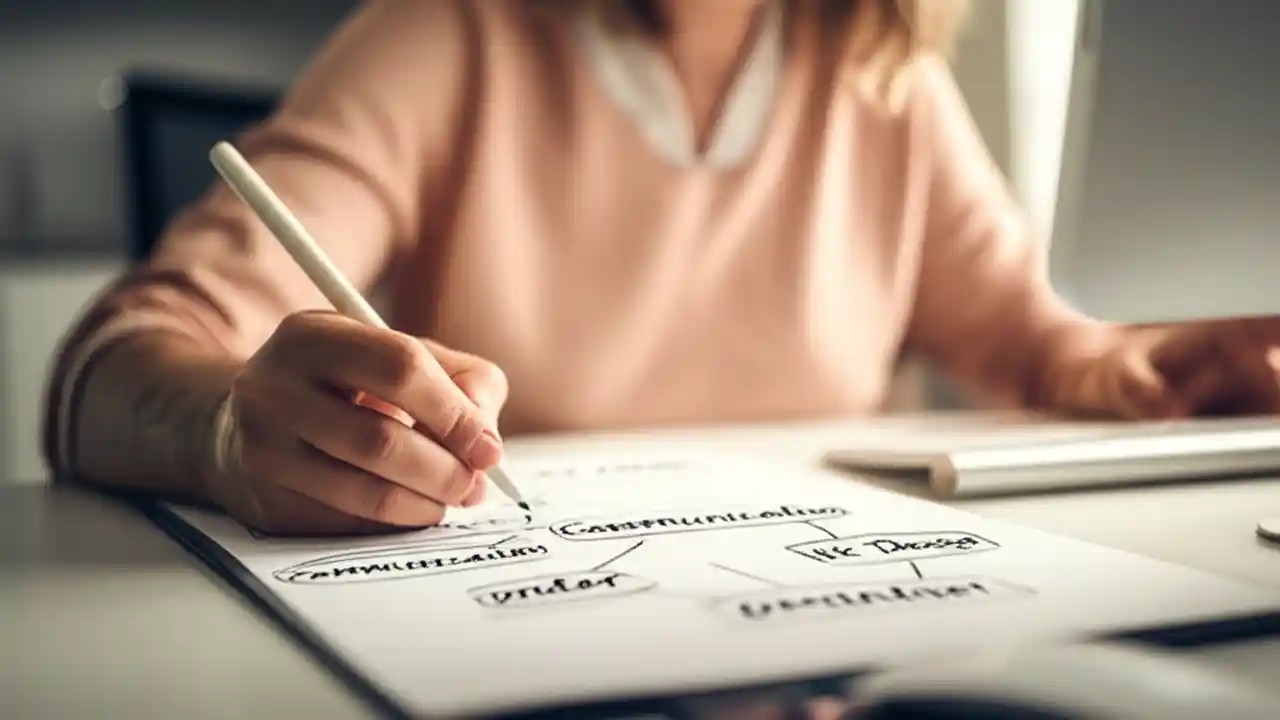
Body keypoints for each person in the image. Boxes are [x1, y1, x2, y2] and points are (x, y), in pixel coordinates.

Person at [45, 0, 1280, 535]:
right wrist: (220, 430)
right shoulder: (442, 39)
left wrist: (1135, 368)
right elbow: (108, 369)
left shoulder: (875, 70)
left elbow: (1028, 339)